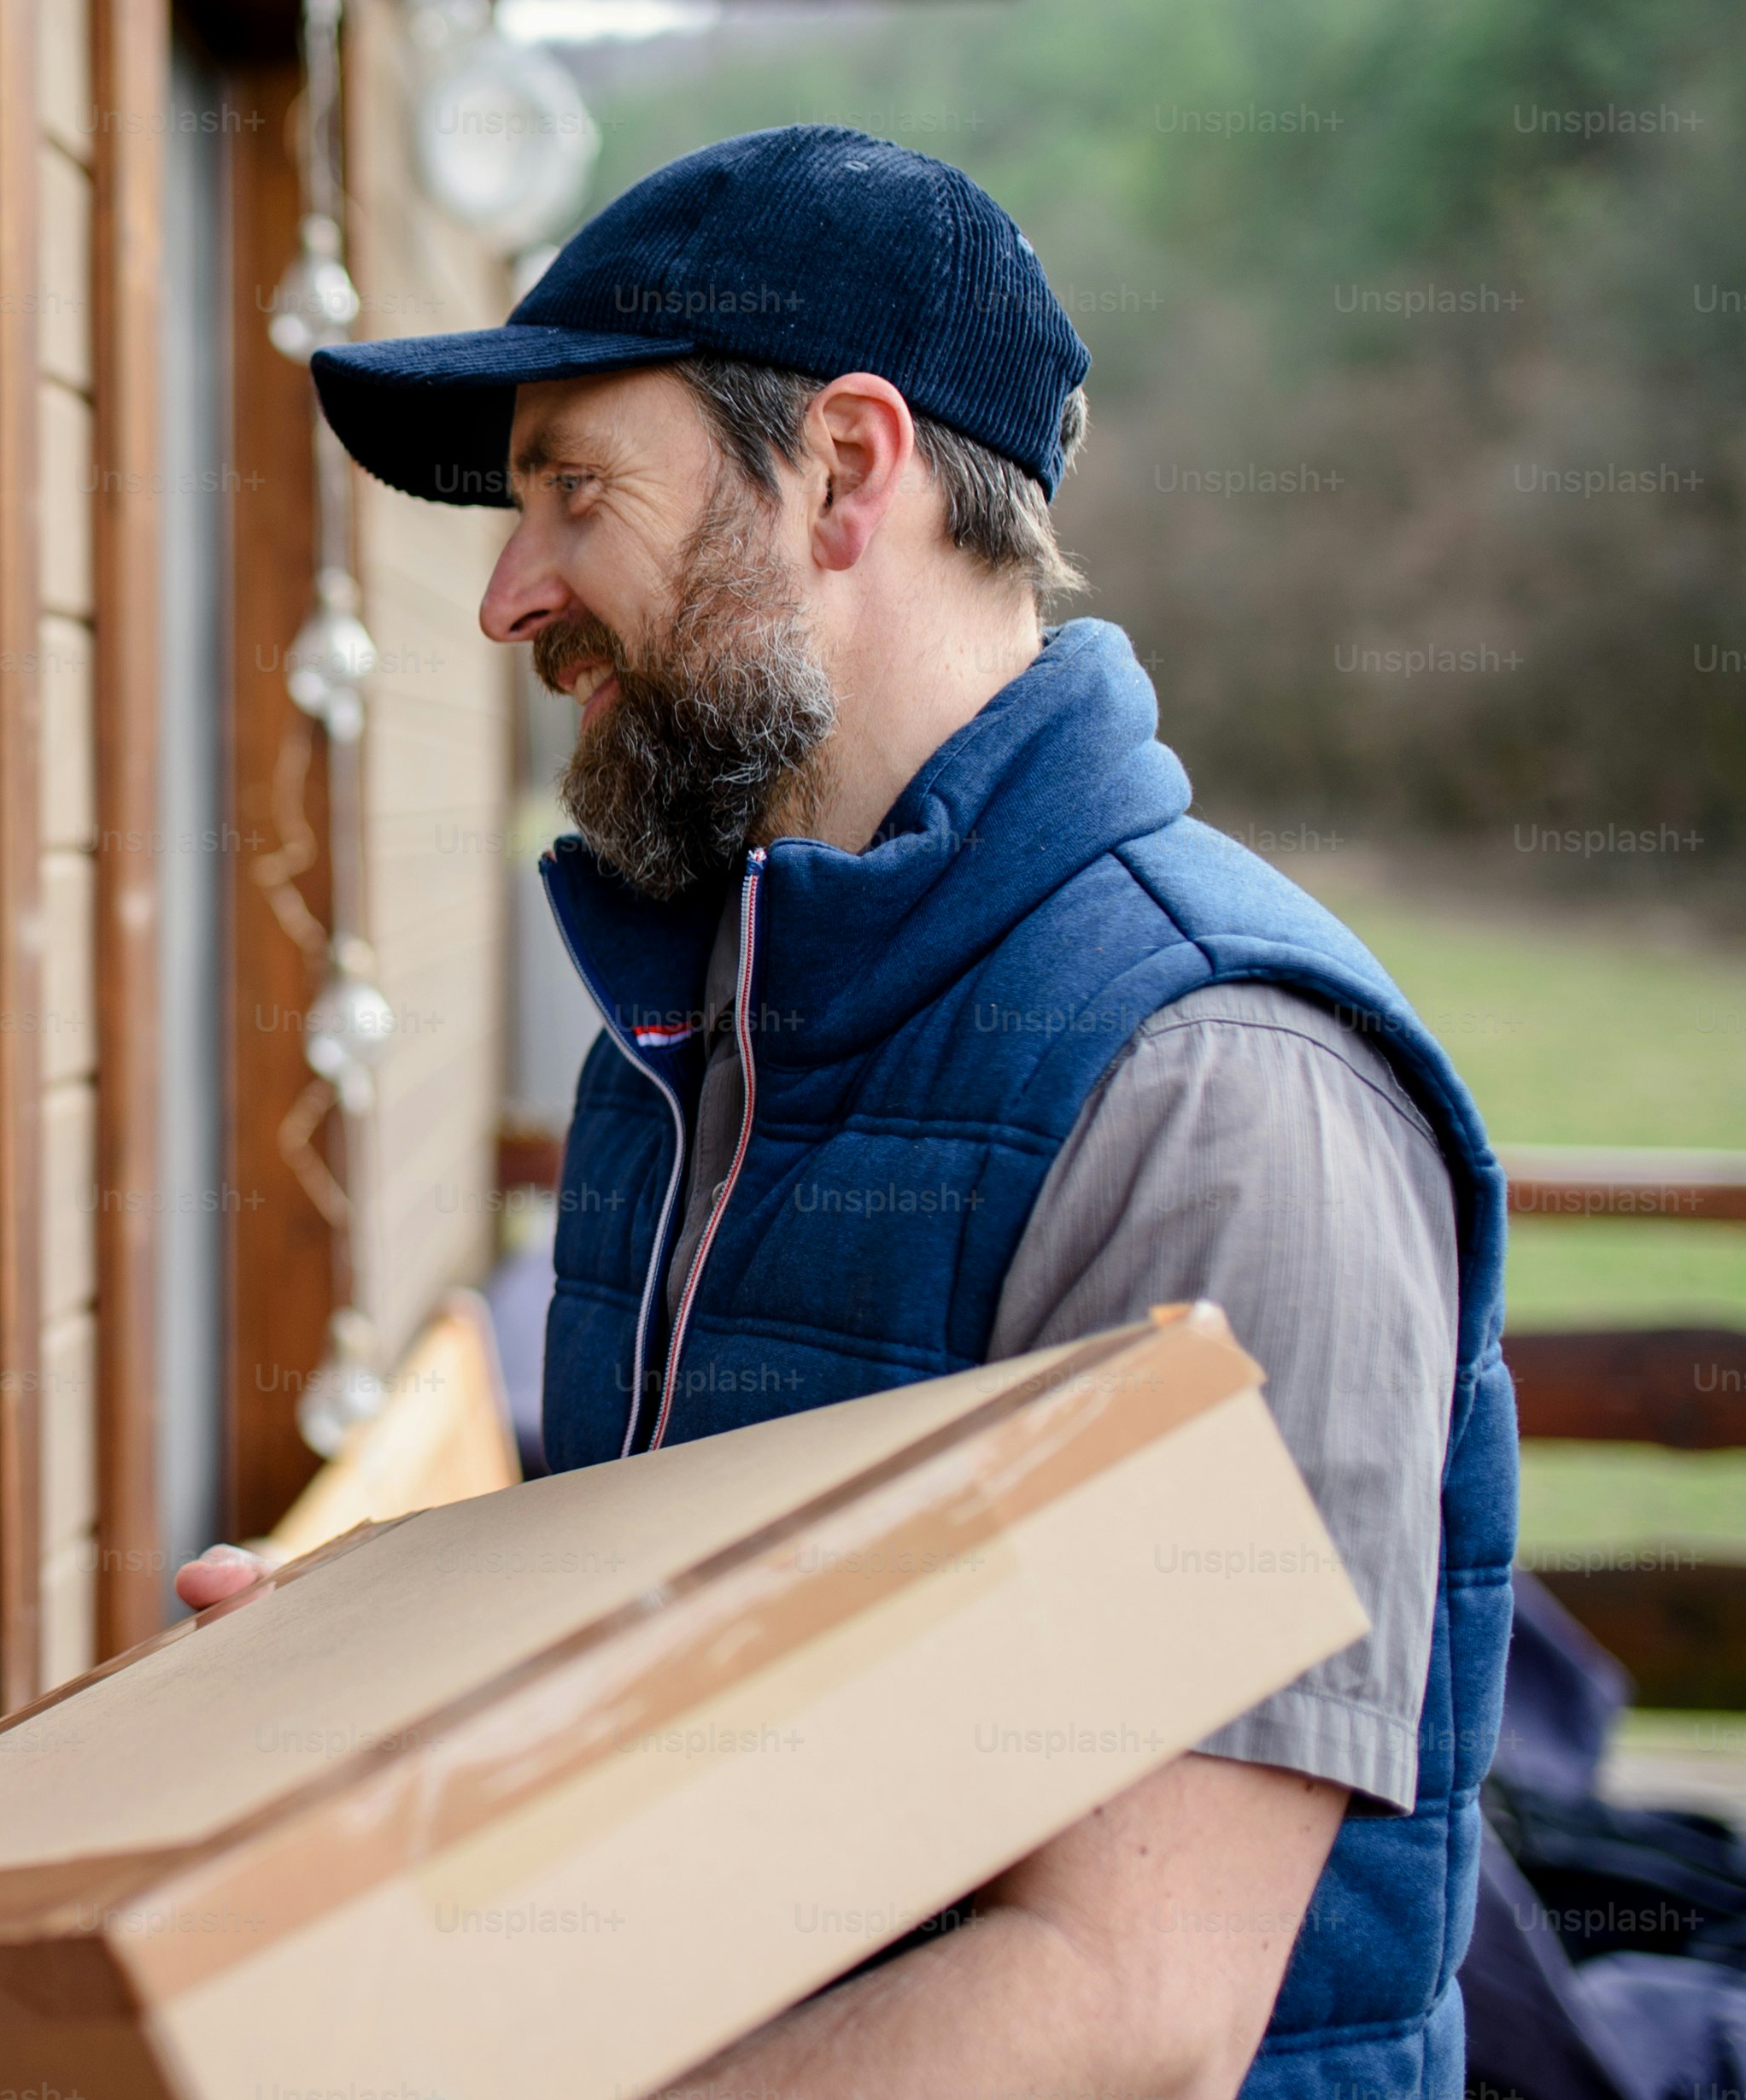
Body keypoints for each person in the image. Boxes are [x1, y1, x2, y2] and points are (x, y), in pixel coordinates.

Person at [179, 126, 1514, 2099]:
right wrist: (390, 1684)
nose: (505, 594)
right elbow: (762, 1701)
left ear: (839, 471)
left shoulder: (1219, 1086)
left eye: (570, 490)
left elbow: (1124, 1998)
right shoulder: (700, 1022)